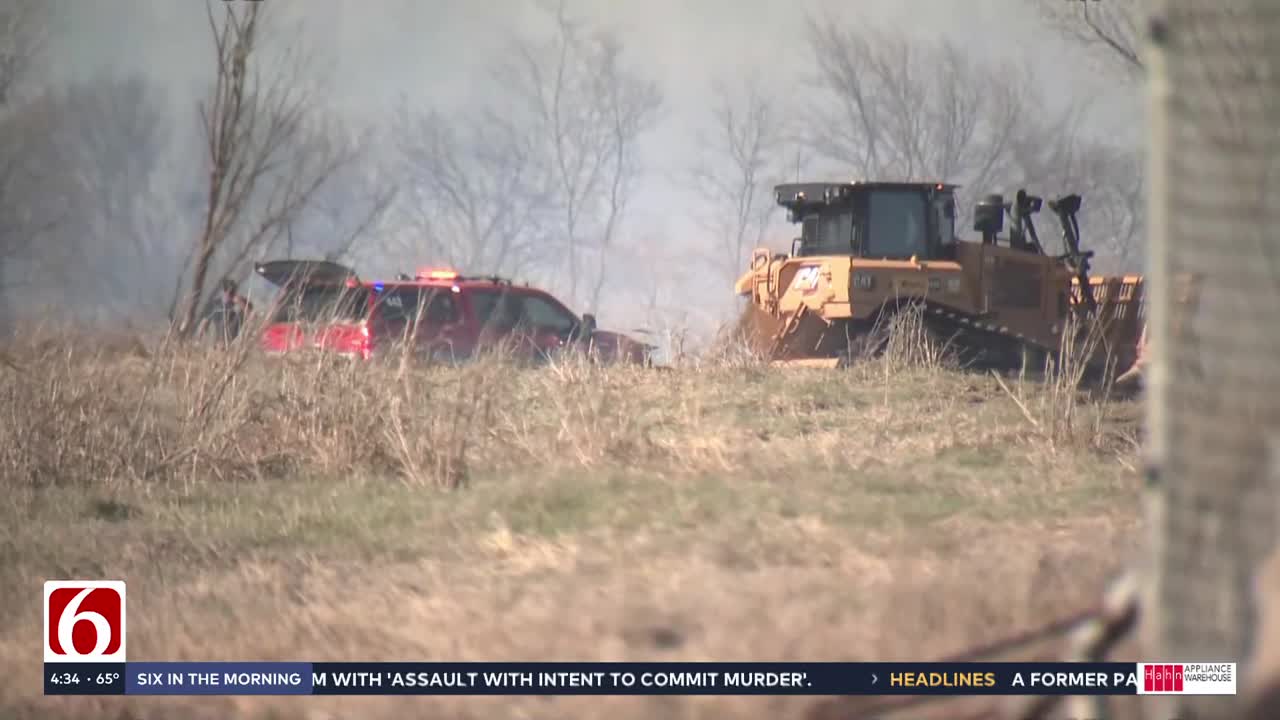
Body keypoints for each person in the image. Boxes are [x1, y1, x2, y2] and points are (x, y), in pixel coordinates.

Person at [199, 278, 254, 345]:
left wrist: (240, 303)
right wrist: (200, 338)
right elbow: (204, 321)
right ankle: (220, 343)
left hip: (233, 337)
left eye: (231, 292)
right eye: (226, 291)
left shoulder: (240, 303)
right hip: (218, 337)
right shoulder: (215, 304)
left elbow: (250, 314)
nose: (228, 294)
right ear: (223, 291)